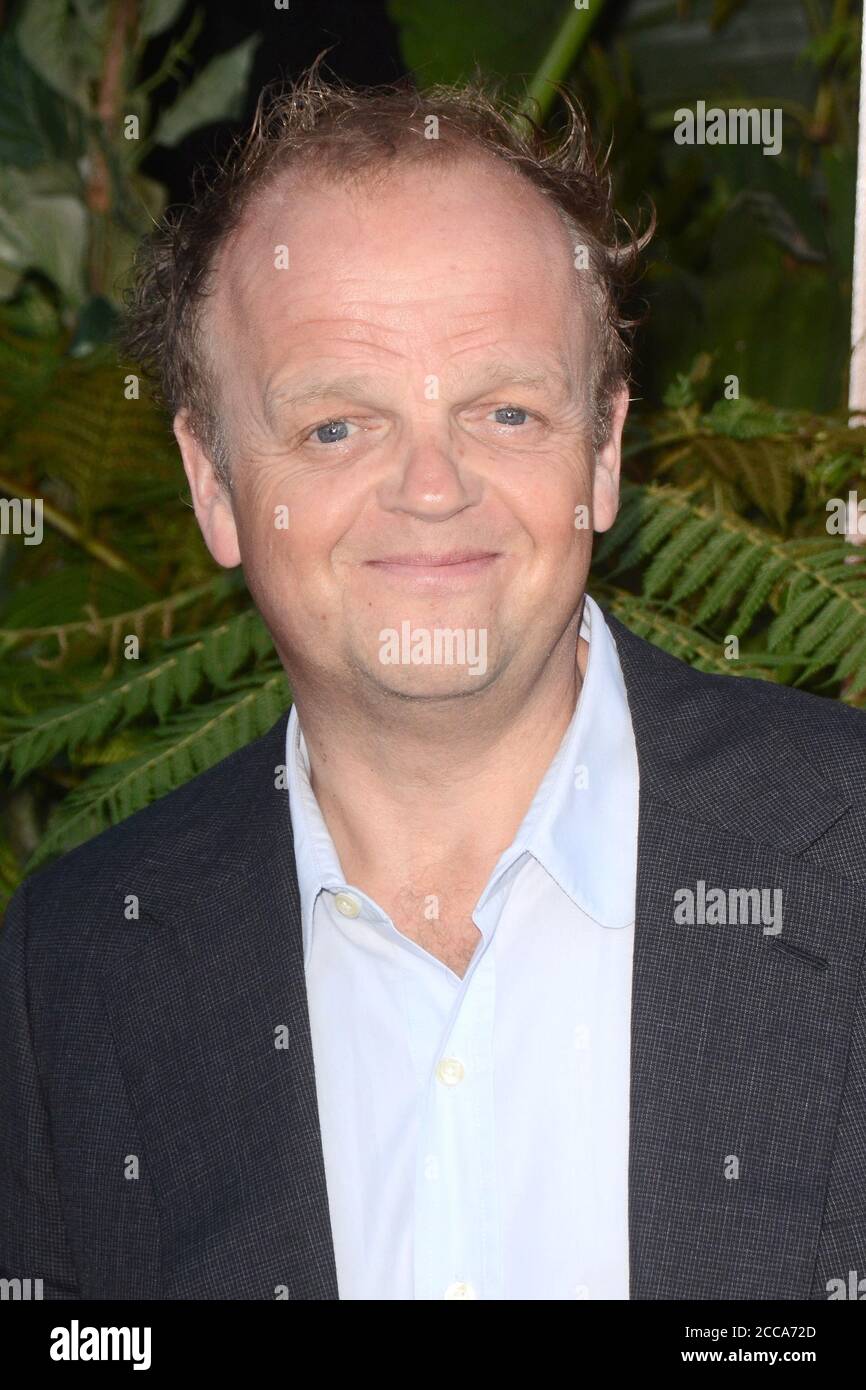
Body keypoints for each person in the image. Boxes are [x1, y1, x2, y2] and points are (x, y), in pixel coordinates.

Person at [2, 63, 865, 1302]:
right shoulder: (75, 968)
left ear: (604, 450)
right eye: (336, 427)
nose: (429, 486)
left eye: (504, 412)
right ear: (213, 485)